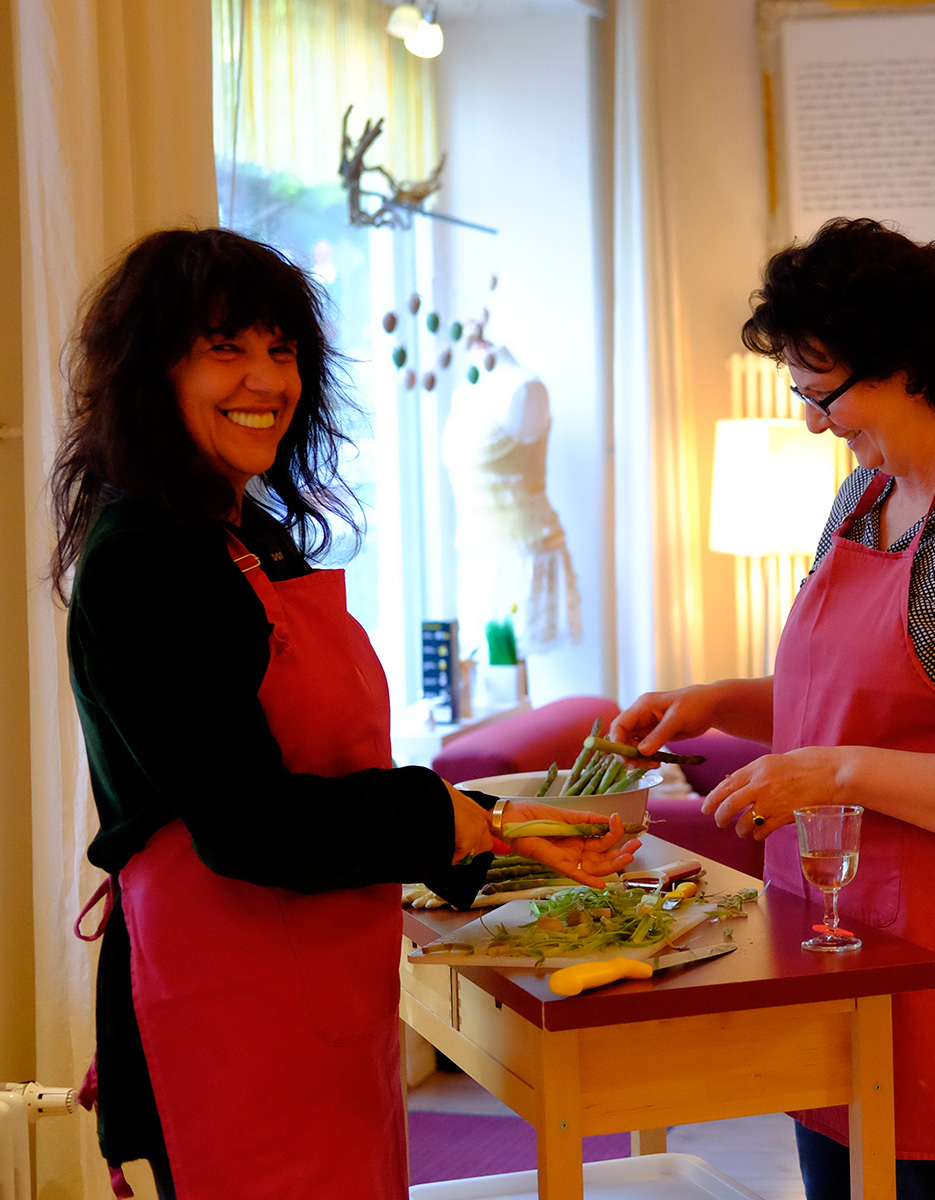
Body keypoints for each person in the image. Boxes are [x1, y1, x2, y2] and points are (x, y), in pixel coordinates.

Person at [50, 228, 639, 1200]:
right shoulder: (143, 561)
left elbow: (330, 779)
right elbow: (253, 823)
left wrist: (500, 835)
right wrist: (461, 821)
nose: (266, 378)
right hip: (228, 1010)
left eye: (281, 349)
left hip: (322, 987)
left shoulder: (246, 532)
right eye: (226, 347)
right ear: (152, 372)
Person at [610, 217, 935, 1199]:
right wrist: (713, 703)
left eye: (820, 392)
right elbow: (849, 703)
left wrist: (831, 774)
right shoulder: (864, 493)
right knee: (838, 1176)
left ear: (907, 364)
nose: (810, 420)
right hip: (838, 904)